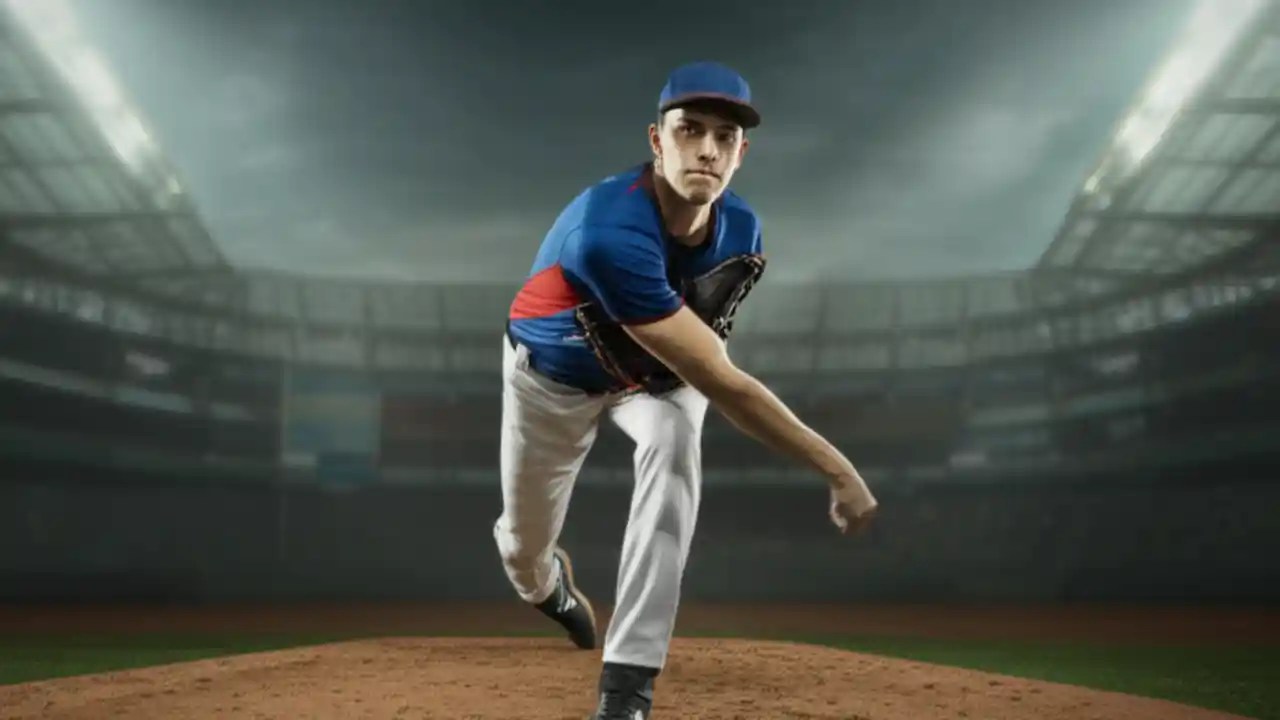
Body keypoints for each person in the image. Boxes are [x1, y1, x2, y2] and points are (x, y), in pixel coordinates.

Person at [495, 60, 879, 720]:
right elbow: (722, 378)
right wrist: (838, 469)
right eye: (689, 129)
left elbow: (705, 349)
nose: (707, 148)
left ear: (741, 153)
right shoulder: (608, 233)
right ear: (656, 140)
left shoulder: (743, 230)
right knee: (522, 545)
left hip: (655, 379)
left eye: (725, 137)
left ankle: (628, 686)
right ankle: (547, 588)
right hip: (552, 380)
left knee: (675, 441)